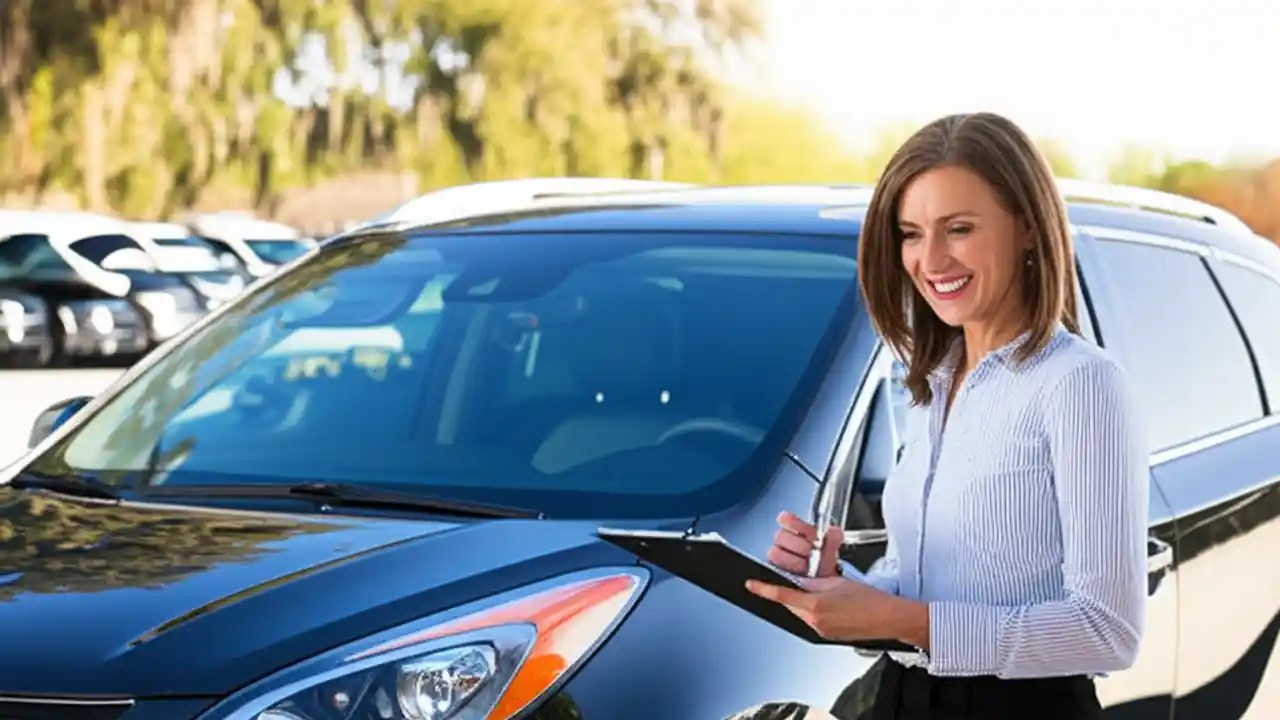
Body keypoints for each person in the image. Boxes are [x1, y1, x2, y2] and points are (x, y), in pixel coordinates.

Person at [745, 111, 1149, 719]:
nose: (930, 259)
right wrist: (844, 591)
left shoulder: (1080, 384)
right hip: (902, 698)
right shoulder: (928, 387)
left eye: (958, 229)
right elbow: (919, 581)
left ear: (1028, 228)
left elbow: (1108, 631)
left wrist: (904, 620)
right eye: (910, 233)